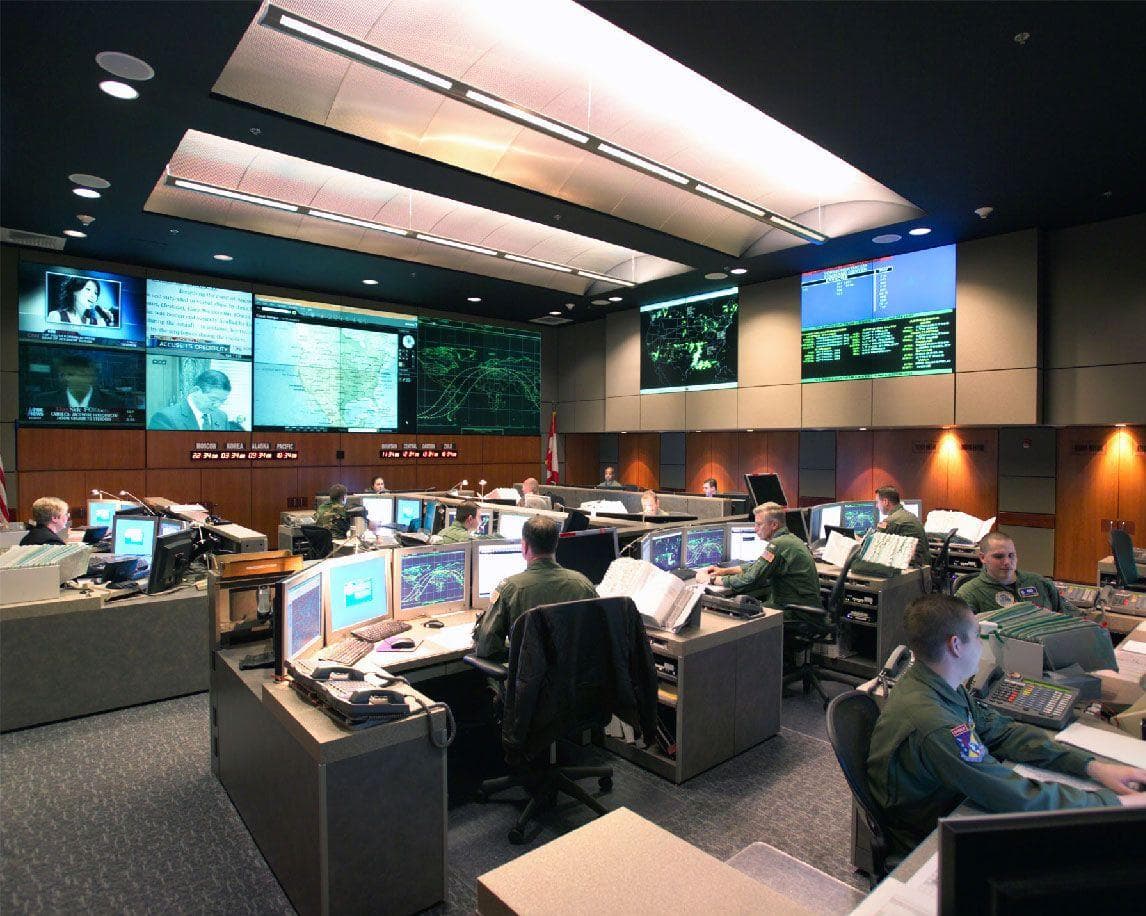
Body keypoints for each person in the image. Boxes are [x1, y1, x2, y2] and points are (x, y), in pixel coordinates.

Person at [868, 593, 1146, 855]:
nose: (981, 645)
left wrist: (1091, 767)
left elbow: (1001, 731)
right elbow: (1014, 796)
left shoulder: (938, 682)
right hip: (928, 830)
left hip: (949, 796)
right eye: (977, 636)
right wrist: (1116, 803)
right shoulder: (935, 723)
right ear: (955, 645)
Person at [473, 515, 597, 661]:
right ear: (556, 544)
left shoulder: (511, 589)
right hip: (575, 679)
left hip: (529, 681)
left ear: (524, 546)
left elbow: (487, 648)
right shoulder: (583, 584)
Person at [697, 501, 821, 611]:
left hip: (796, 612)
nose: (755, 529)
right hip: (799, 605)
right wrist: (724, 571)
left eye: (759, 524)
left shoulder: (777, 545)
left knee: (740, 614)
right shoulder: (791, 539)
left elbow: (751, 579)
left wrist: (711, 580)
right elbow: (757, 566)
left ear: (774, 525)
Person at [955, 532, 1078, 615]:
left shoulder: (1039, 583)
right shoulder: (968, 594)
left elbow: (1072, 618)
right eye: (999, 556)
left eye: (1011, 555)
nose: (1007, 562)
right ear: (982, 558)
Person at [32, 353, 123, 412]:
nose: (78, 379)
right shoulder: (43, 401)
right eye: (72, 374)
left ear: (92, 377)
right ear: (64, 377)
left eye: (83, 375)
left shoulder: (115, 403)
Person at [150, 369, 237, 431]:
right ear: (195, 391)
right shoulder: (165, 418)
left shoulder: (222, 416)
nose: (217, 405)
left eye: (222, 401)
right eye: (213, 399)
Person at [875, 485, 931, 567]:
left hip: (914, 567)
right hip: (923, 565)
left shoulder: (891, 521)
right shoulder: (909, 514)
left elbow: (874, 544)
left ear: (885, 502)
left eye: (877, 502)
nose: (876, 506)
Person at [48, 276, 116, 326]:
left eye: (96, 293)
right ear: (74, 291)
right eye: (88, 289)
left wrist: (110, 322)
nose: (93, 296)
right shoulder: (56, 316)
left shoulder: (98, 323)